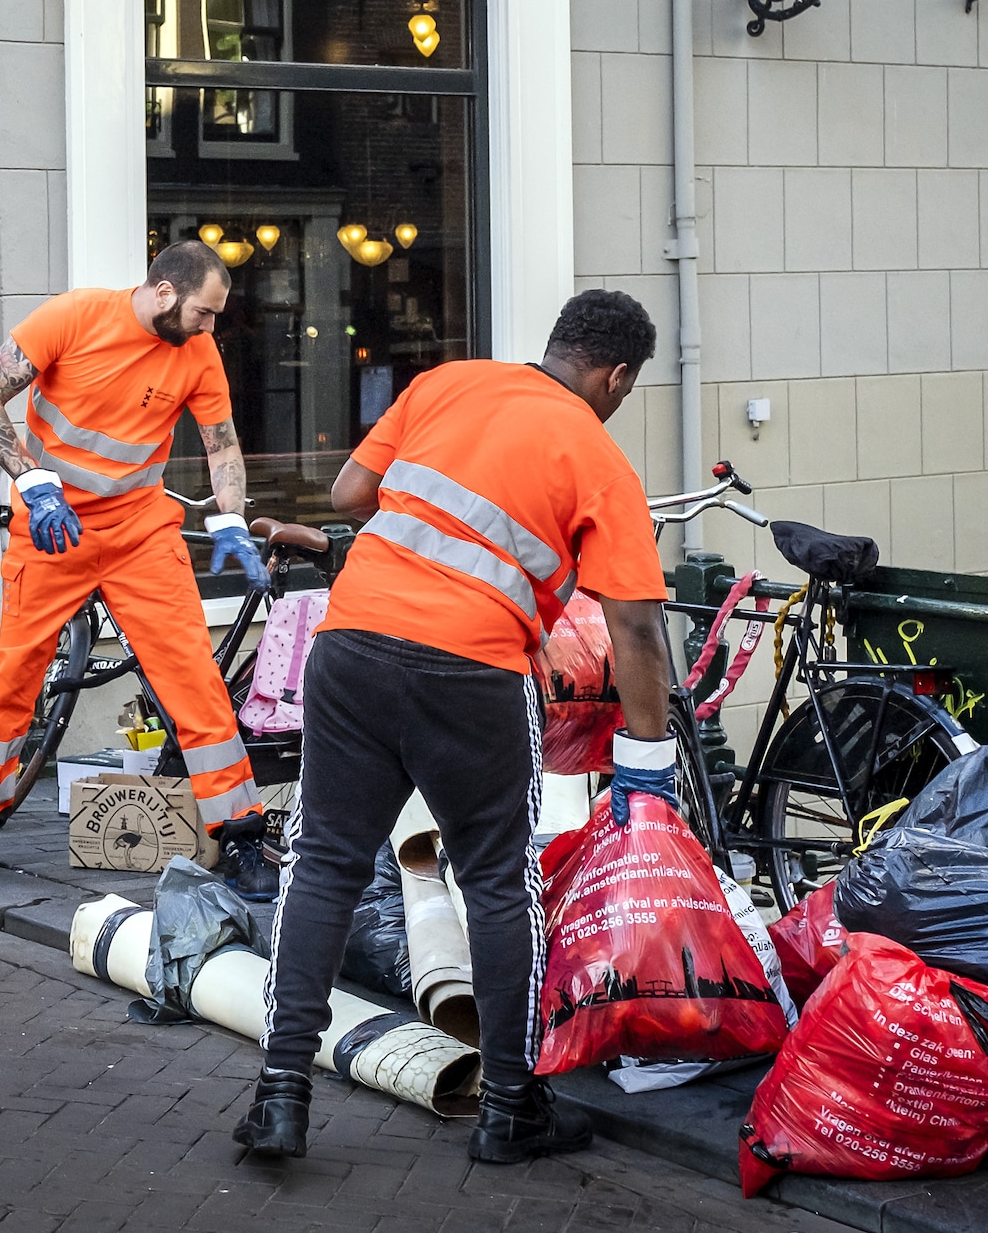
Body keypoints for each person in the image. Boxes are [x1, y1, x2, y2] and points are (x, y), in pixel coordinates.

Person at [234, 289, 677, 1164]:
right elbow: (634, 628)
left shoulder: (447, 382)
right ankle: (511, 1109)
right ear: (616, 375)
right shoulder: (600, 460)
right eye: (624, 390)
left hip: (353, 646)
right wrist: (647, 765)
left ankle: (280, 1094)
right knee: (497, 885)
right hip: (474, 676)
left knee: (320, 865)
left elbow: (351, 490)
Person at [0, 240, 275, 898]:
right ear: (163, 293)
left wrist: (231, 517)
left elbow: (222, 443)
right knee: (13, 676)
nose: (211, 329)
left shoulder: (197, 353)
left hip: (138, 533)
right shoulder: (72, 318)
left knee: (194, 681)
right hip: (52, 526)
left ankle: (241, 838)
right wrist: (32, 479)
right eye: (205, 313)